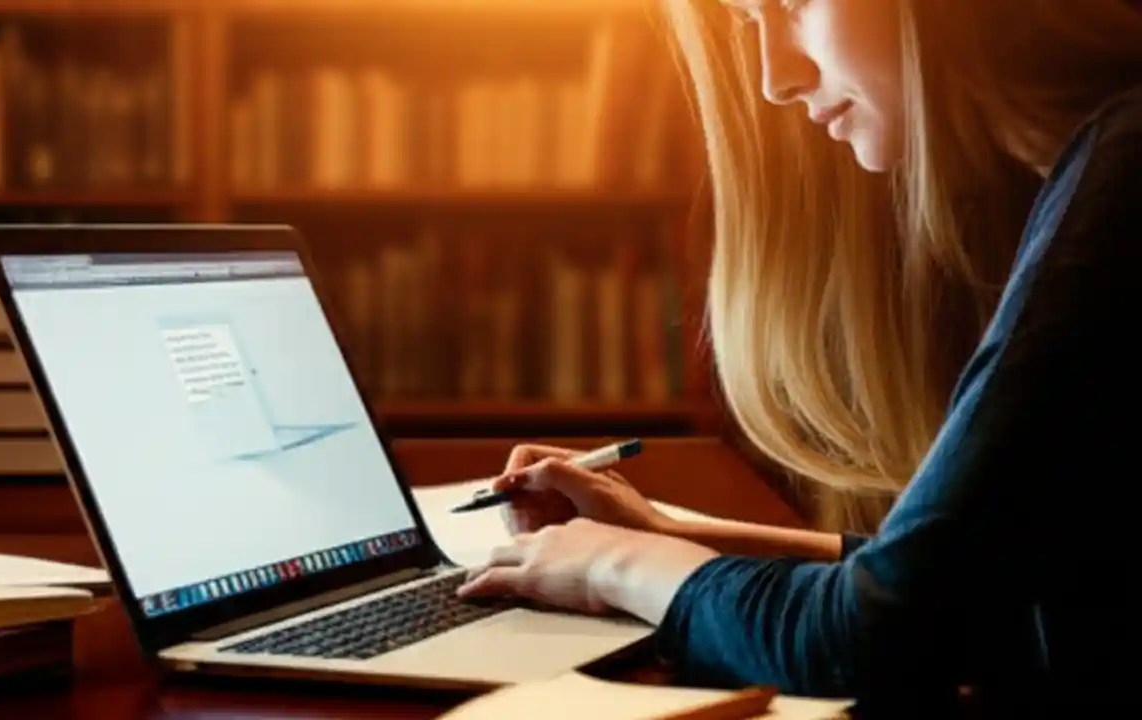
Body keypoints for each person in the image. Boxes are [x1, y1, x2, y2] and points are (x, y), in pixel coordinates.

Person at [455, 0, 1142, 713]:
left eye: (792, 5)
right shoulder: (1100, 160)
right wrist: (671, 538)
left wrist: (614, 566)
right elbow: (972, 587)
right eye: (753, 24)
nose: (774, 78)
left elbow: (878, 635)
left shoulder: (1126, 183)